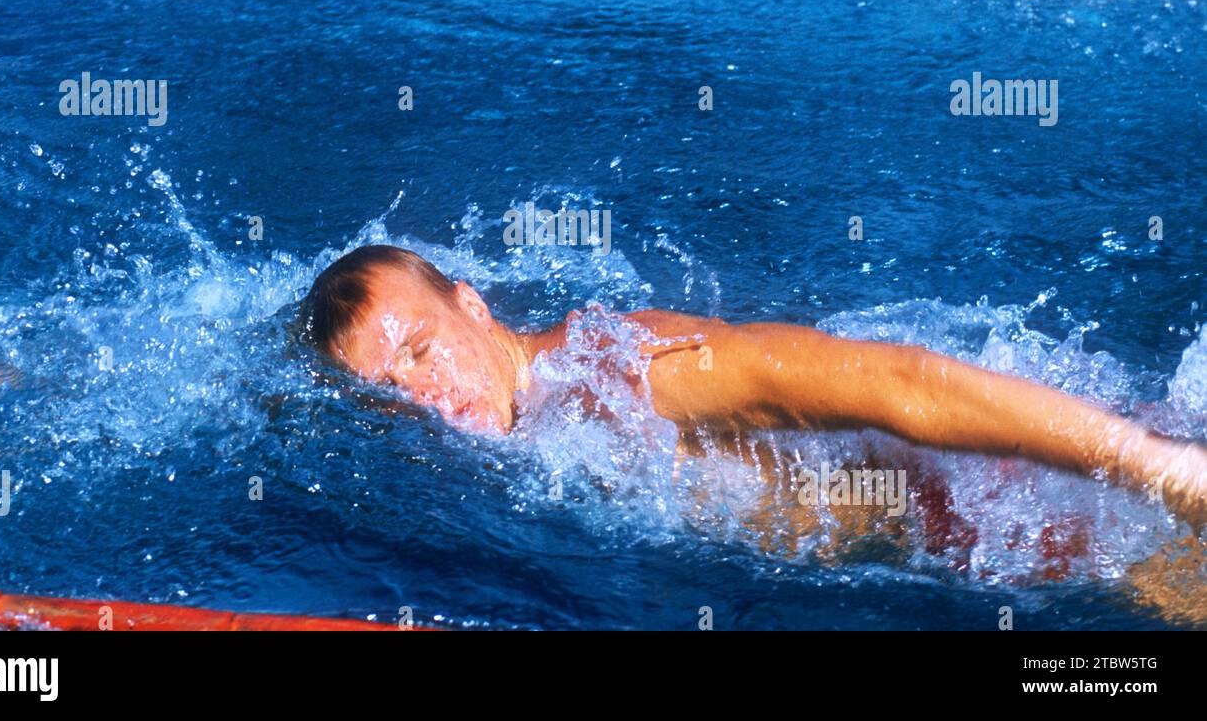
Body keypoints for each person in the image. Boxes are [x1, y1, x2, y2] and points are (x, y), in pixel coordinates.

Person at [303, 244, 1207, 526]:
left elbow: (896, 382)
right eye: (386, 386)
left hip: (1040, 506)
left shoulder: (611, 373)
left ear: (473, 304)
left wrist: (1158, 469)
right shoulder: (523, 433)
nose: (421, 395)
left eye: (421, 349)